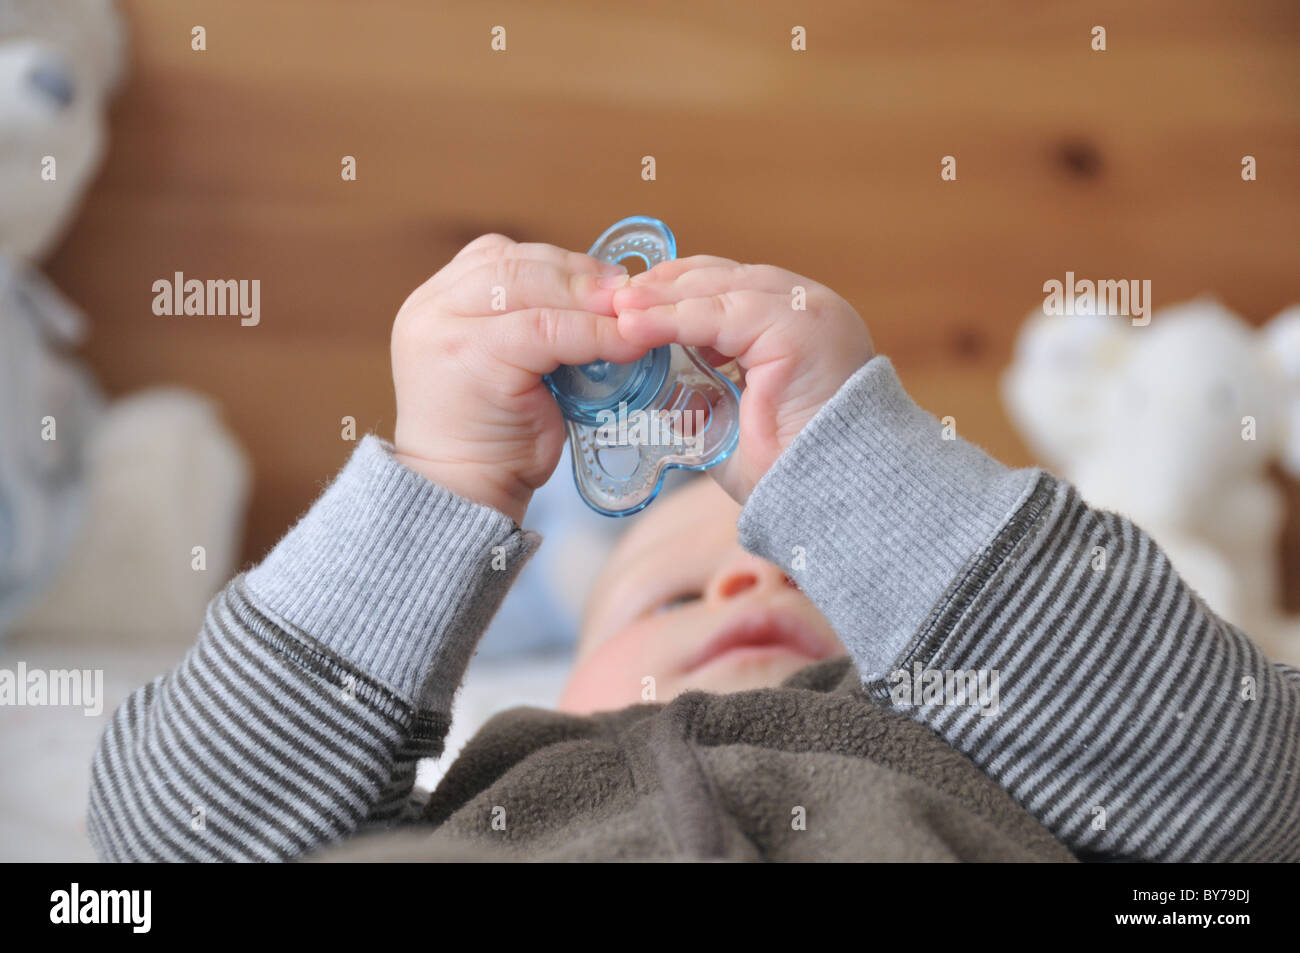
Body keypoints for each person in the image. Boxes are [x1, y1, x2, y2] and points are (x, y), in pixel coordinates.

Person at [88, 235, 1299, 862]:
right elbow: (169, 844)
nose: (745, 573)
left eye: (832, 577)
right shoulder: (487, 790)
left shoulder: (1023, 772)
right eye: (665, 591)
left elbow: (1252, 783)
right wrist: (445, 485)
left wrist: (856, 475)